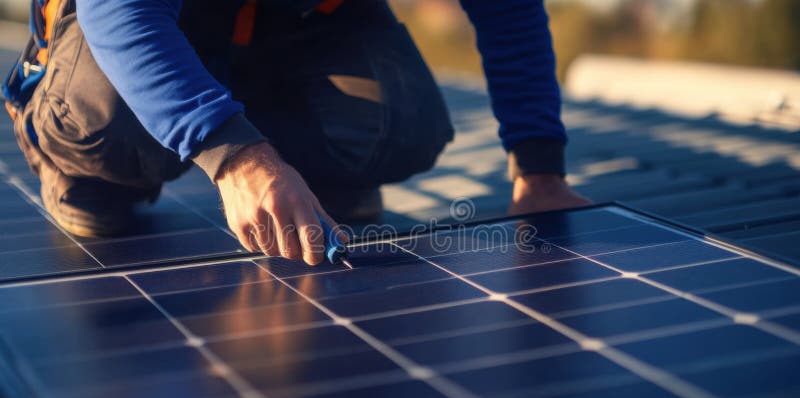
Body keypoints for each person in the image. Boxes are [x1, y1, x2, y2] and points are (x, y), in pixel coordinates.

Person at [7, 0, 590, 266]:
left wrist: (539, 169)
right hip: (152, 21)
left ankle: (303, 167)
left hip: (293, 25)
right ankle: (72, 159)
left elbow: (507, 9)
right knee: (107, 124)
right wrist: (235, 156)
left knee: (400, 121)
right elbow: (122, 12)